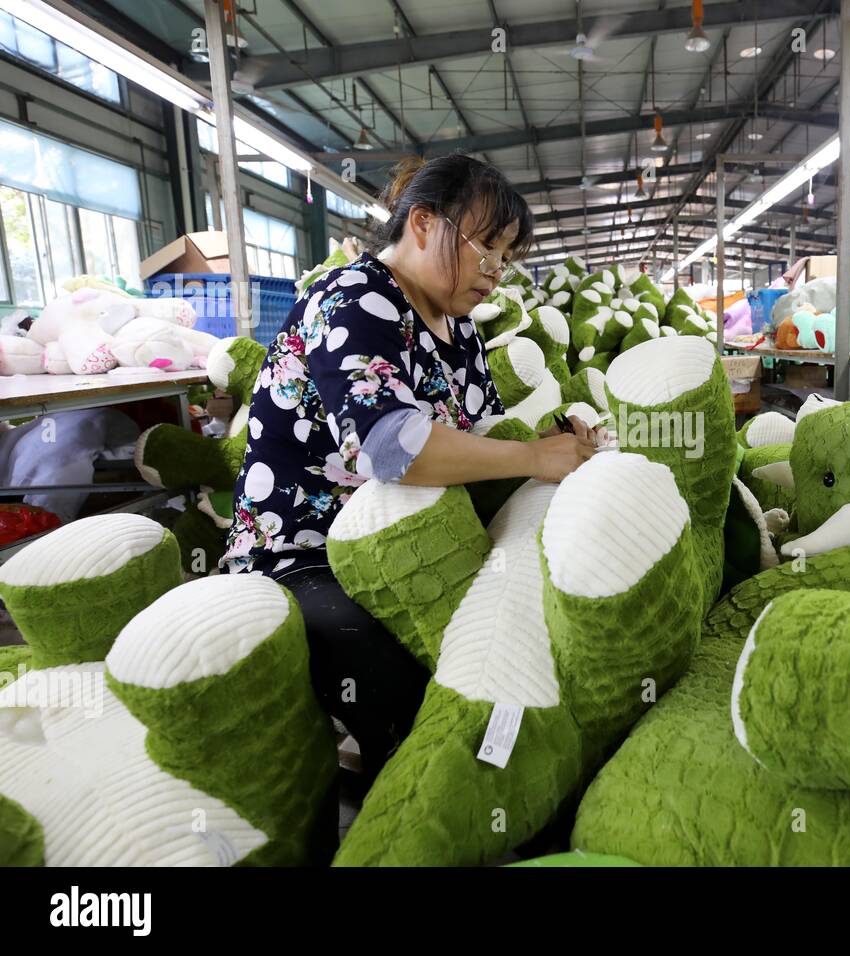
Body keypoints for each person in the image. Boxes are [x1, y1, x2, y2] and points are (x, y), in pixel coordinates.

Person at [219, 154, 600, 780]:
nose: (496, 271)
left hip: (420, 544)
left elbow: (478, 440)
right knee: (406, 686)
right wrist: (534, 457)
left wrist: (553, 445)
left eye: (507, 256)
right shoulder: (352, 299)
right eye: (488, 247)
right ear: (424, 223)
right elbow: (390, 446)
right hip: (305, 556)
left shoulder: (461, 331)